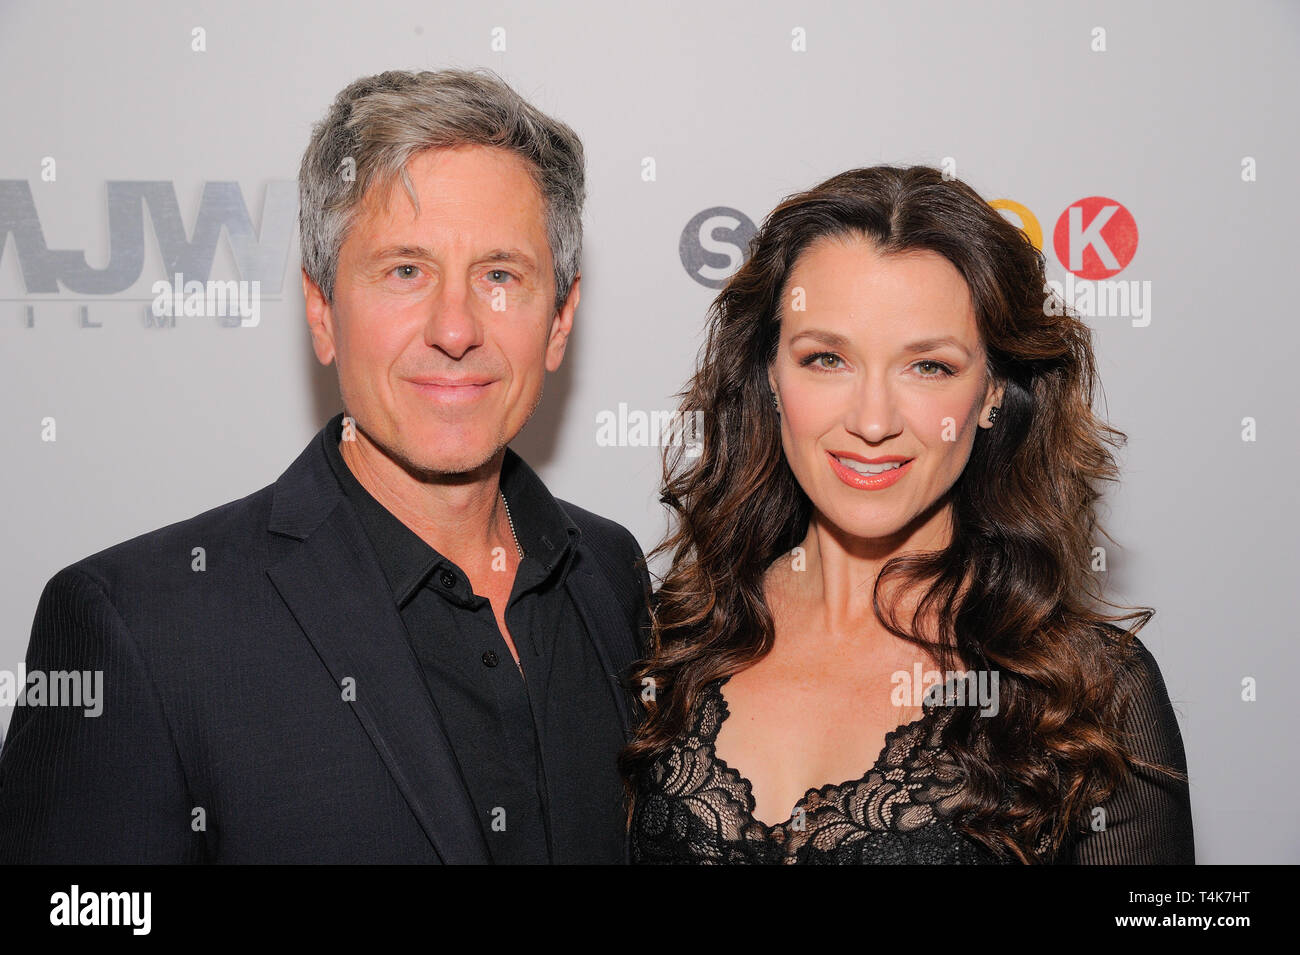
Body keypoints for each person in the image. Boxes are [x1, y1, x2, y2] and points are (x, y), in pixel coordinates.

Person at [0, 68, 650, 864]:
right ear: (321, 312)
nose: (455, 328)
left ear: (559, 321)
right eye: (405, 271)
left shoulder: (611, 575)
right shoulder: (140, 627)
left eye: (500, 275)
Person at [622, 165, 1194, 864]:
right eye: (827, 357)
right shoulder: (662, 643)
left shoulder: (1091, 692)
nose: (871, 421)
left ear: (992, 391)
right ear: (770, 373)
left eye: (929, 367)